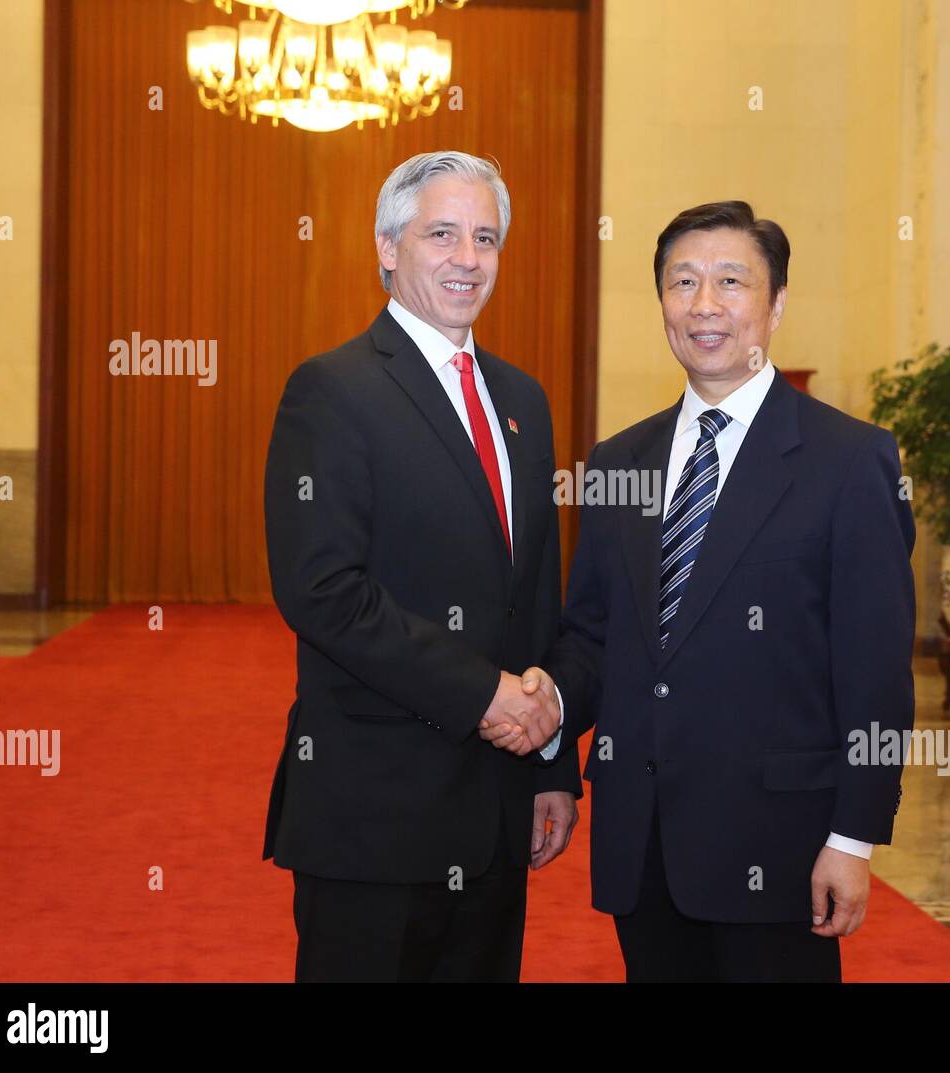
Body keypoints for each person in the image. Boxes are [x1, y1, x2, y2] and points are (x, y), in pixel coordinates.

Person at [487, 200, 916, 982]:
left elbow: (876, 669)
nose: (705, 305)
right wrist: (548, 722)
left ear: (776, 304)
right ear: (662, 305)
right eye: (683, 282)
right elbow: (588, 634)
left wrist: (853, 840)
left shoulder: (849, 461)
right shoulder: (621, 459)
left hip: (778, 844)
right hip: (641, 840)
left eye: (731, 281)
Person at [263, 150, 579, 982]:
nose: (467, 259)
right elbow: (322, 592)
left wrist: (553, 767)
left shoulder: (524, 401)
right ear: (386, 246)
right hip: (374, 812)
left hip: (498, 809)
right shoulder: (331, 390)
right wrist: (484, 695)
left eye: (485, 237)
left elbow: (535, 594)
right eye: (442, 233)